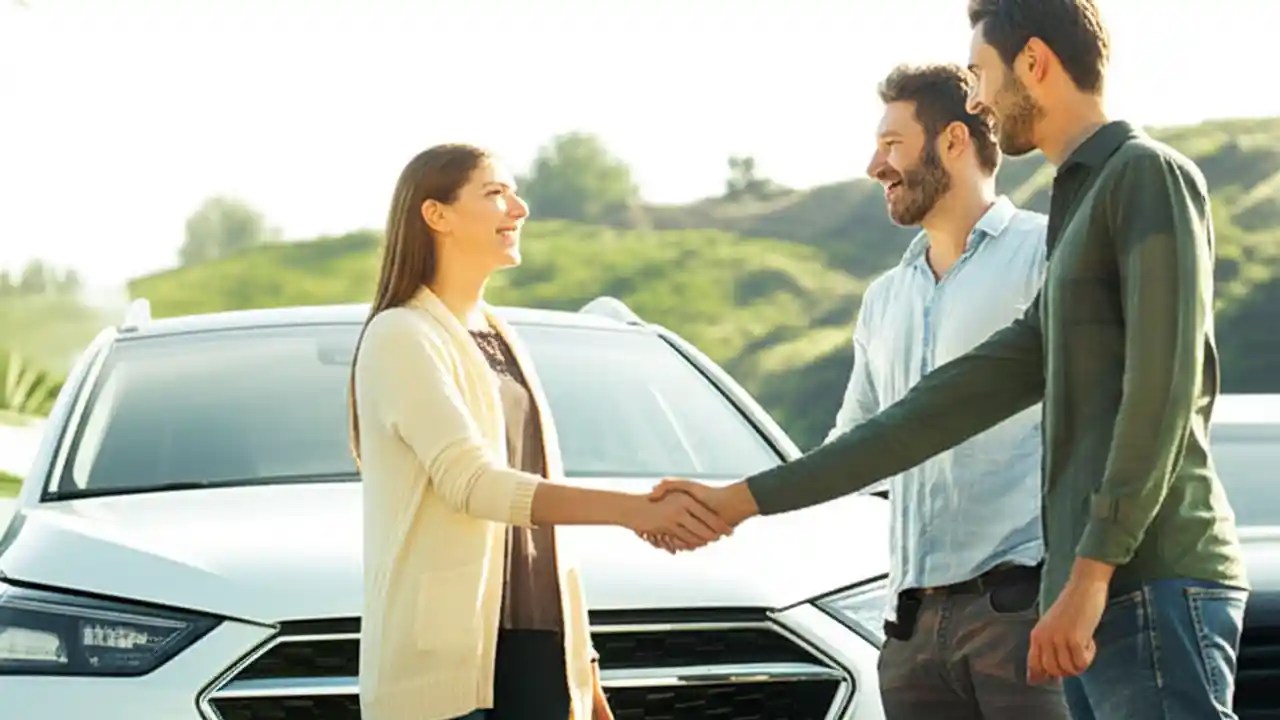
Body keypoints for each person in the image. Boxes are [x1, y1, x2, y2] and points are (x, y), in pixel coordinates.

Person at [651, 2, 1249, 718]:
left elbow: (1163, 394)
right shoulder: (1077, 203)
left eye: (979, 74)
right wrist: (740, 499)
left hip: (1147, 585)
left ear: (1033, 63)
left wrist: (1088, 577)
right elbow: (935, 411)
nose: (977, 99)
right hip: (1096, 595)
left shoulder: (1145, 173)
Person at [349, 143, 733, 720]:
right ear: (437, 215)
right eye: (496, 193)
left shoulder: (501, 335)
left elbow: (540, 525)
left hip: (540, 652)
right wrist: (634, 511)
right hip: (449, 671)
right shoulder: (402, 335)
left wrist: (587, 669)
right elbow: (474, 485)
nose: (520, 208)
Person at [826, 62, 1063, 719]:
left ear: (954, 142)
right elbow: (853, 452)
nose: (876, 165)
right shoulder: (883, 298)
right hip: (908, 637)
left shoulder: (1048, 256)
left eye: (893, 144)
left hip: (1022, 619)